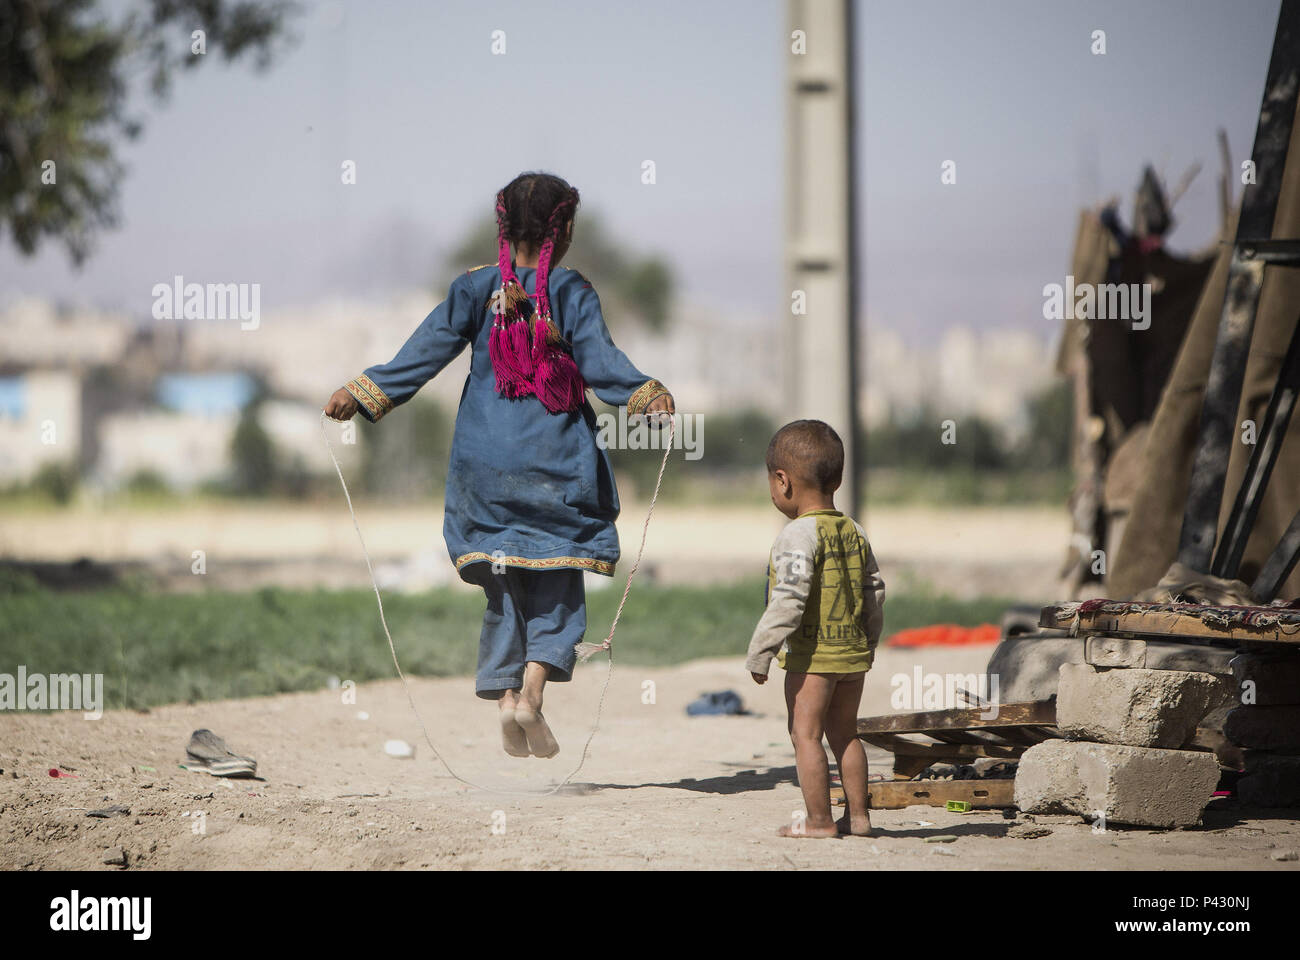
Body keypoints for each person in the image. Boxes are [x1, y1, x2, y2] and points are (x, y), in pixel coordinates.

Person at [324, 171, 674, 759]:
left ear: (503, 227)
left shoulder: (471, 288)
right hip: (557, 466)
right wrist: (647, 396)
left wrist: (361, 393)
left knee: (503, 579)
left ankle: (507, 694)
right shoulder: (572, 291)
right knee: (556, 579)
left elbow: (423, 351)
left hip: (482, 470)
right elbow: (603, 364)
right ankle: (532, 694)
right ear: (562, 232)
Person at [745, 420, 885, 837]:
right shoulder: (855, 531)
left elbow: (788, 598)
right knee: (846, 734)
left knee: (805, 734)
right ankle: (858, 818)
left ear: (782, 481)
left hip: (813, 658)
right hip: (852, 656)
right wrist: (869, 642)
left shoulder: (796, 535)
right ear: (837, 478)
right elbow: (875, 591)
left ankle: (820, 821)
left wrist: (761, 652)